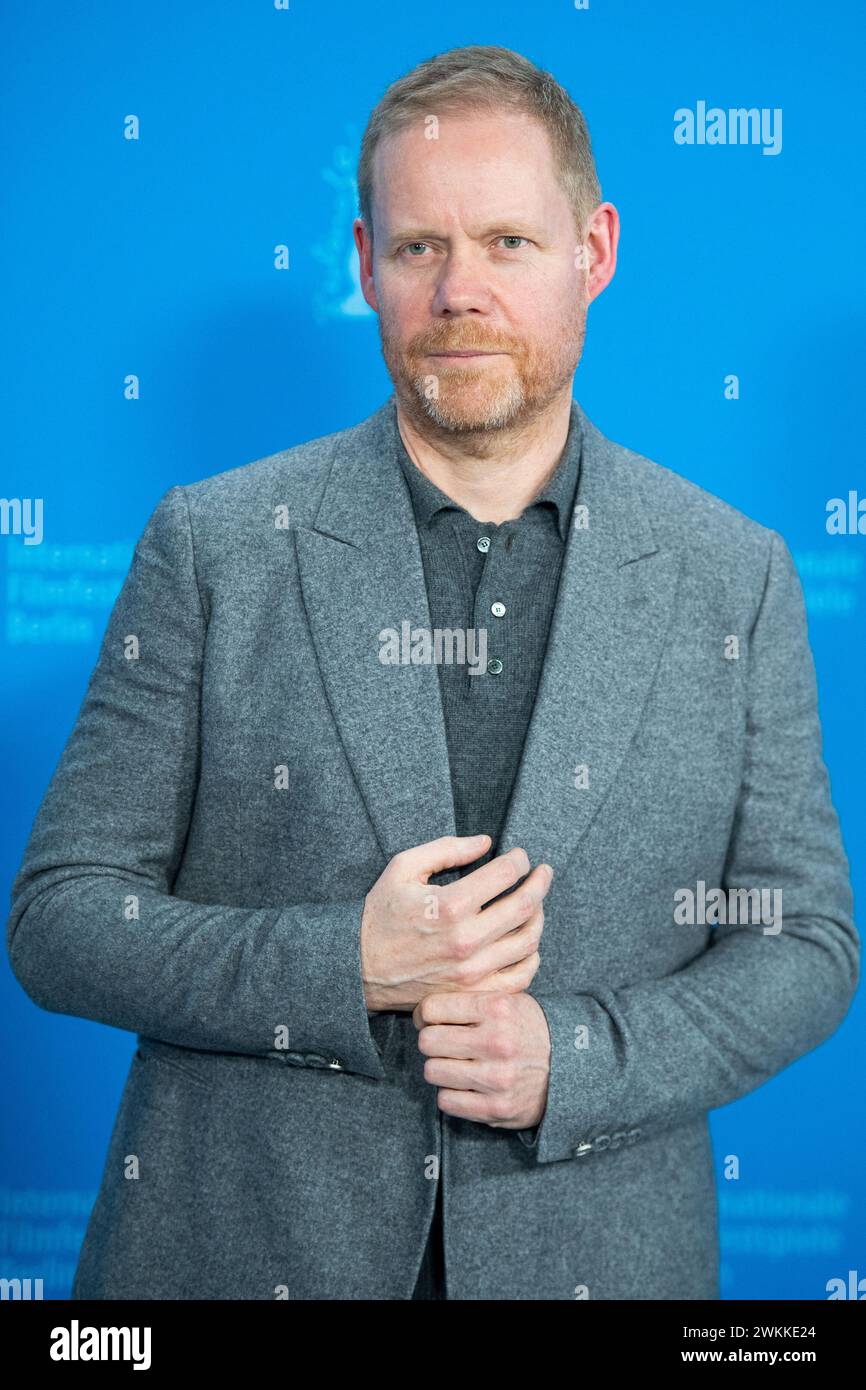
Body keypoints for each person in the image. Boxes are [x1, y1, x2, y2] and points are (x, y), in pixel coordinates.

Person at [7, 44, 858, 1301]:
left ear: (594, 251)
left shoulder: (731, 574)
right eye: (419, 249)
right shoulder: (216, 544)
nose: (459, 291)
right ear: (363, 263)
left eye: (508, 242)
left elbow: (804, 942)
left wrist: (576, 1058)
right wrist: (343, 963)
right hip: (234, 1258)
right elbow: (60, 919)